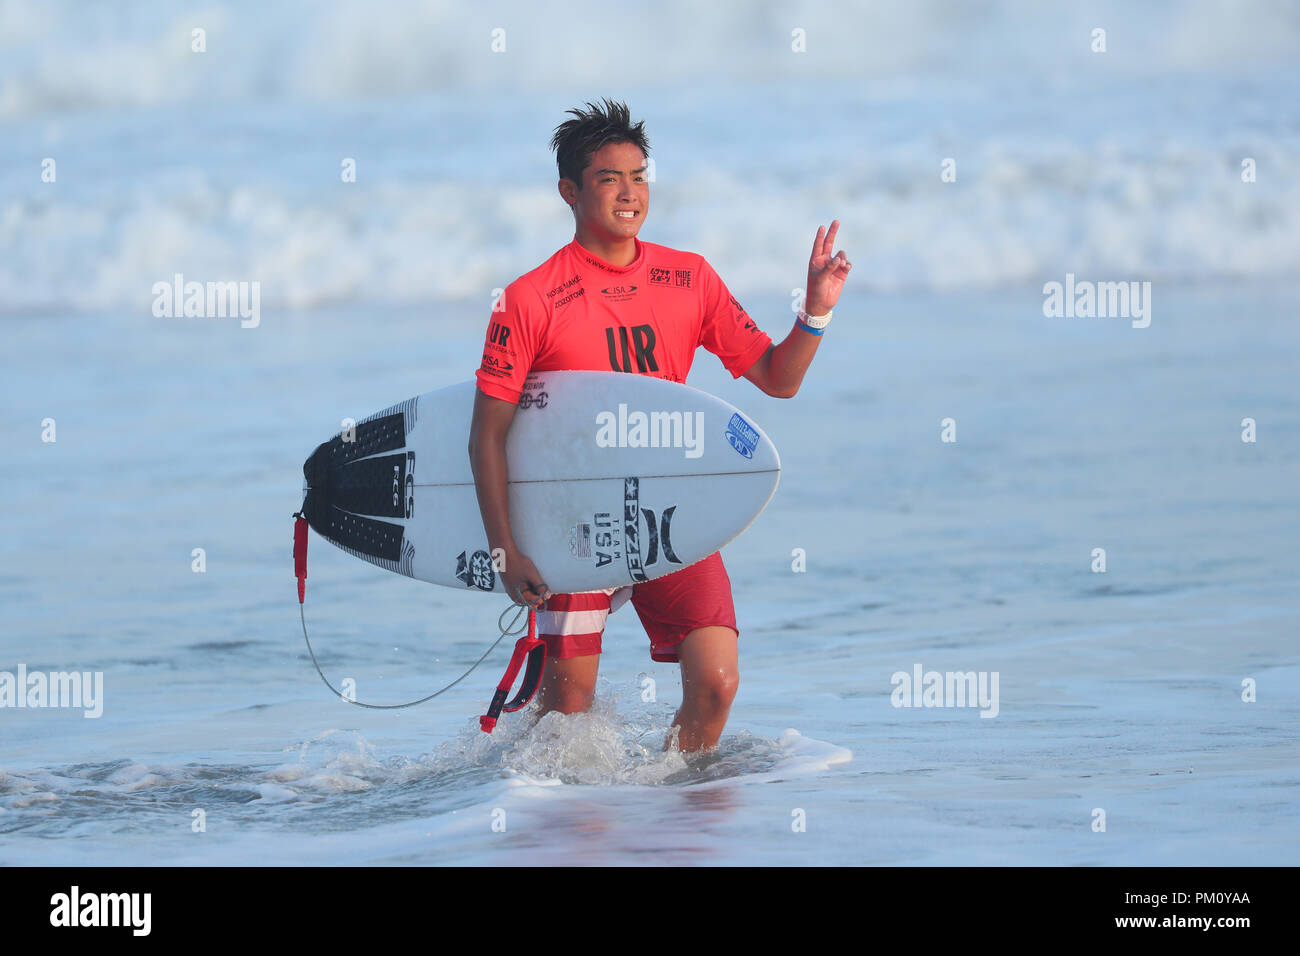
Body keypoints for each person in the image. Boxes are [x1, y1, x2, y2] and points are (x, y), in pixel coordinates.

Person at [467, 98, 850, 752]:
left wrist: (814, 312)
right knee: (566, 719)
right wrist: (506, 549)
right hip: (576, 520)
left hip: (670, 512)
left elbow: (779, 379)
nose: (629, 192)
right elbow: (486, 436)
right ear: (569, 190)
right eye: (609, 178)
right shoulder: (528, 299)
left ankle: (667, 810)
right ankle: (544, 820)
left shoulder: (689, 279)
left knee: (716, 685)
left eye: (640, 176)